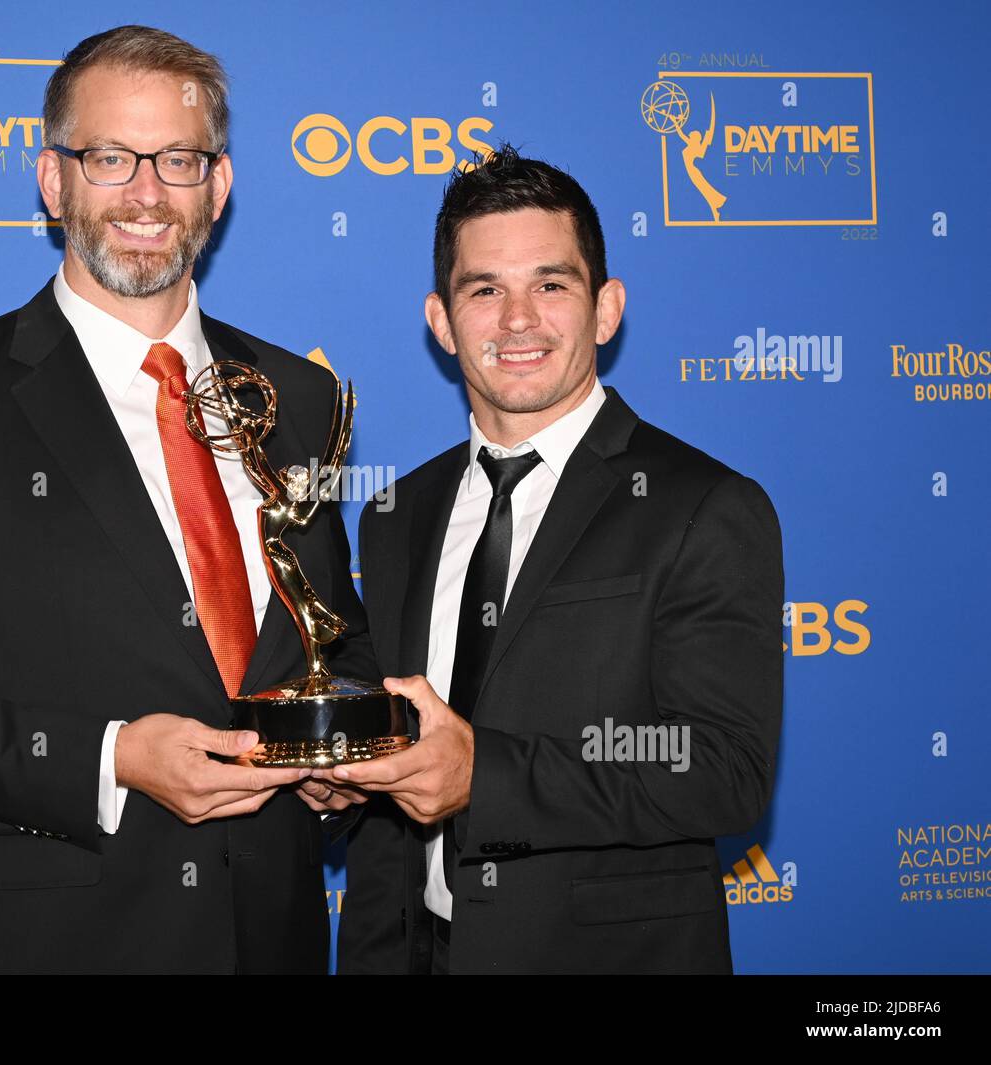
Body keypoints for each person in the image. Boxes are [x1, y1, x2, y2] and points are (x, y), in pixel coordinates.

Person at [0, 24, 370, 975]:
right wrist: (110, 758)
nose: (146, 192)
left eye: (178, 159)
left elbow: (331, 645)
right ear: (53, 180)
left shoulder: (295, 397)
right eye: (110, 157)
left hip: (273, 938)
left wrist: (338, 770)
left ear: (217, 186)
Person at [329, 144, 784, 974]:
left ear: (606, 308)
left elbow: (721, 769)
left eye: (550, 284)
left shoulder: (703, 506)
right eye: (484, 290)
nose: (517, 321)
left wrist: (486, 777)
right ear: (441, 320)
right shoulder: (397, 512)